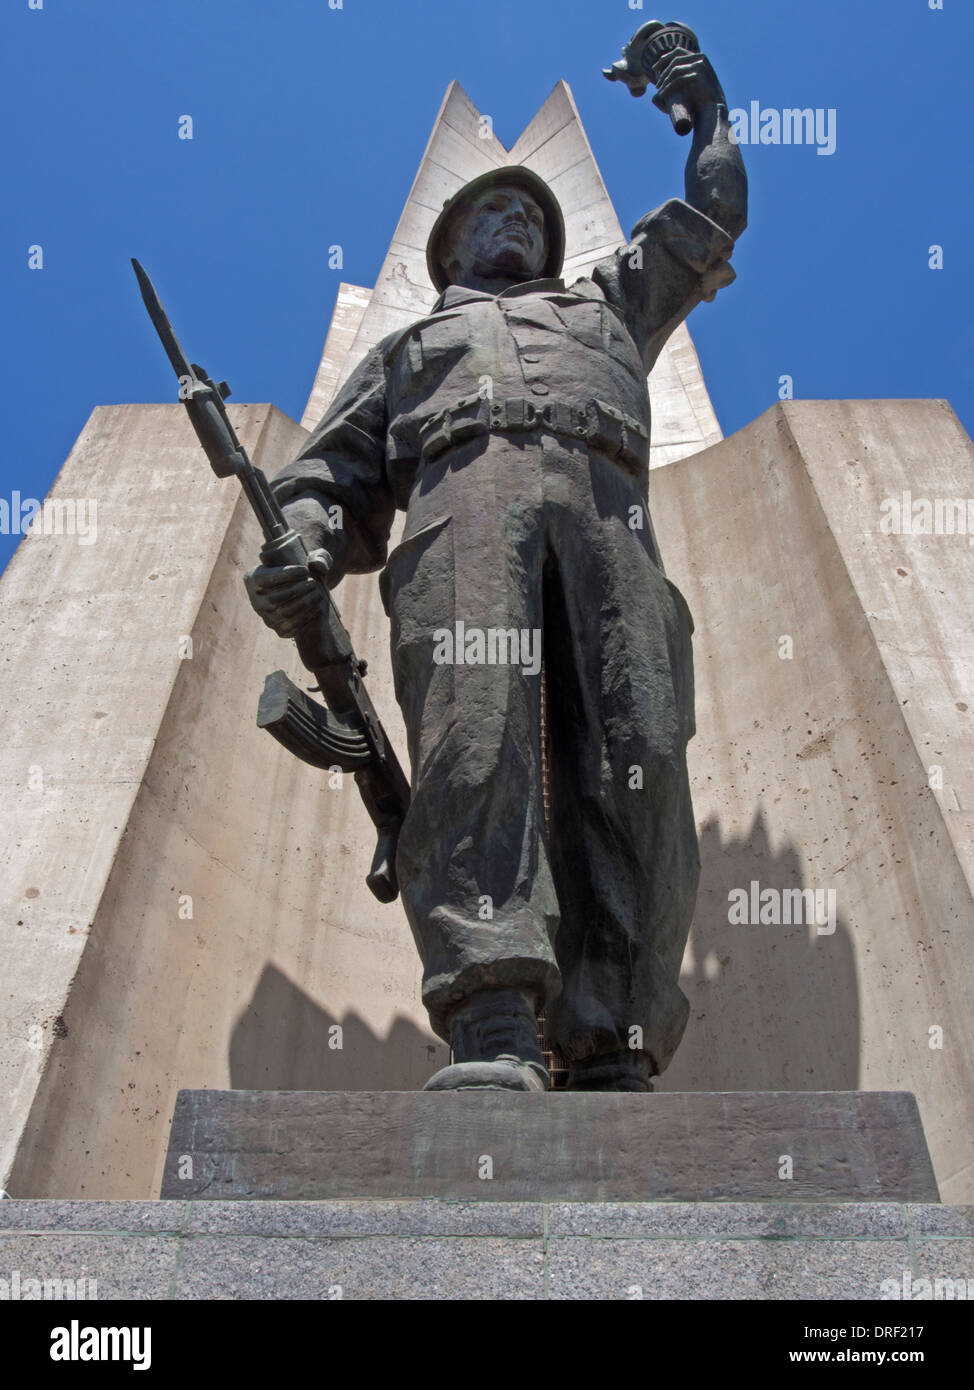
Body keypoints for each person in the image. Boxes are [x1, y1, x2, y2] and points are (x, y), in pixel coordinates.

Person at [245, 42, 747, 1092]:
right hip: (462, 513)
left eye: (531, 213)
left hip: (610, 521)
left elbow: (711, 221)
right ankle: (491, 1022)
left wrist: (708, 115)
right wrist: (305, 547)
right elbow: (323, 476)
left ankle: (610, 1035)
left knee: (639, 757)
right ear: (448, 246)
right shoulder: (407, 349)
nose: (515, 219)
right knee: (477, 745)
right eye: (490, 212)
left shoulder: (609, 308)